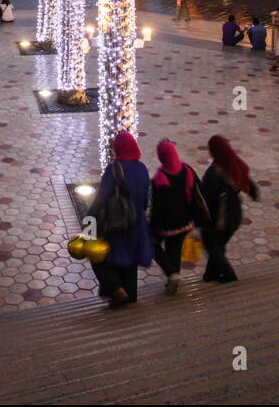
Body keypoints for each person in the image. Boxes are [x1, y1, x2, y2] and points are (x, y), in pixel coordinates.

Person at [87, 131, 154, 307]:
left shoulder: (114, 170)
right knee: (130, 260)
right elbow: (146, 199)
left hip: (117, 223)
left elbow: (101, 199)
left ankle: (116, 289)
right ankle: (130, 298)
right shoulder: (142, 168)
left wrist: (89, 219)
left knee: (100, 258)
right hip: (136, 222)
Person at [149, 140, 205, 296]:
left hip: (167, 225)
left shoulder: (160, 179)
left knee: (152, 246)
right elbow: (198, 193)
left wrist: (154, 227)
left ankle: (171, 274)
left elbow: (157, 208)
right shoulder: (187, 170)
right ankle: (173, 279)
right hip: (185, 222)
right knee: (174, 250)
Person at [200, 135, 257, 283]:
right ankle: (210, 274)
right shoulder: (235, 163)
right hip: (235, 213)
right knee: (219, 244)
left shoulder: (214, 172)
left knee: (212, 245)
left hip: (220, 217)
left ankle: (228, 275)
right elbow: (250, 185)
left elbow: (205, 197)